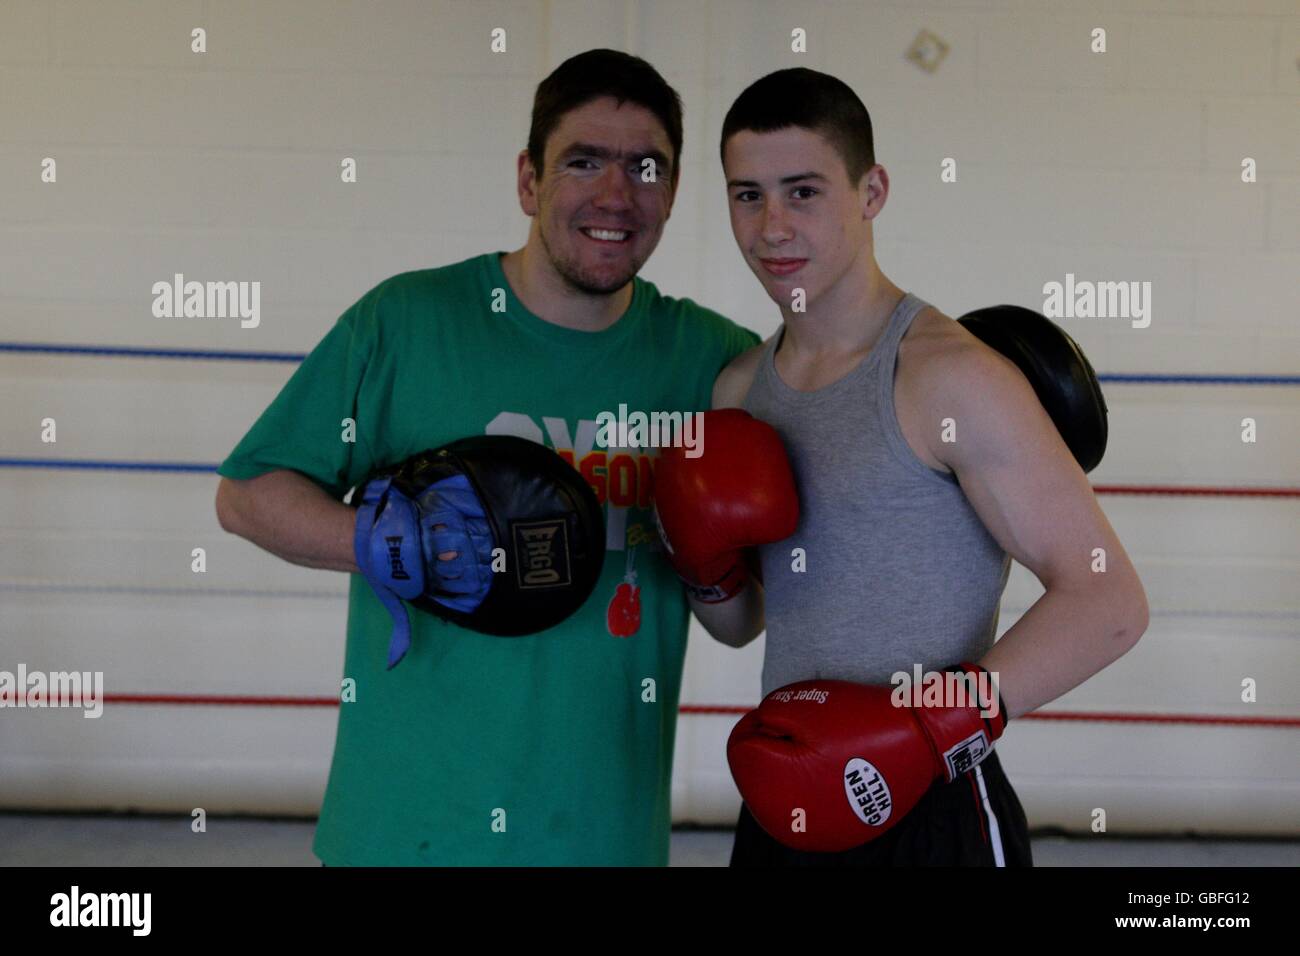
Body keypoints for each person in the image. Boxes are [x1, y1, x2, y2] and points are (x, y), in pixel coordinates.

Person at [214, 49, 758, 866]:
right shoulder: (406, 322)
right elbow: (247, 492)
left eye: (646, 168)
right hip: (406, 835)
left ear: (673, 193)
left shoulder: (716, 361)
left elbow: (743, 620)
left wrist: (710, 558)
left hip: (603, 839)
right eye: (583, 162)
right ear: (528, 182)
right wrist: (390, 543)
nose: (616, 195)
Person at [654, 68, 1149, 866]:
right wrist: (702, 561)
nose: (772, 226)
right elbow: (741, 624)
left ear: (872, 189)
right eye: (748, 195)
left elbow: (1110, 600)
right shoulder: (742, 388)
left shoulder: (947, 375)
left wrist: (931, 726)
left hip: (931, 804)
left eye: (804, 191)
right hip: (784, 791)